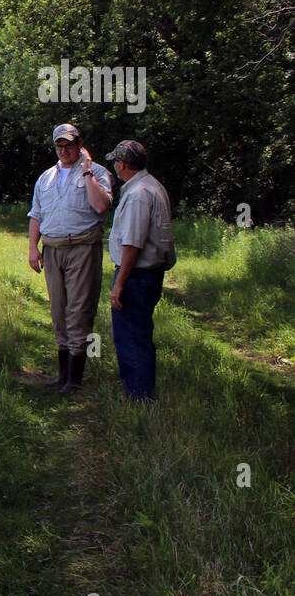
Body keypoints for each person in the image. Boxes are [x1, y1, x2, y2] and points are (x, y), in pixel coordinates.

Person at [27, 123, 114, 394]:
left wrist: (87, 170)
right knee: (59, 311)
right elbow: (36, 215)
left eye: (69, 144)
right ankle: (62, 373)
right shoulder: (46, 178)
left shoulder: (97, 172)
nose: (64, 150)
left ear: (79, 144)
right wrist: (33, 247)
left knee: (79, 311)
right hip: (53, 250)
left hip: (82, 248)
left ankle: (75, 379)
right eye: (59, 146)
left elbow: (101, 205)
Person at [106, 140, 176, 402]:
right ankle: (140, 391)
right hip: (148, 274)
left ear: (122, 164)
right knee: (140, 332)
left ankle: (139, 396)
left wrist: (119, 284)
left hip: (137, 275)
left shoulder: (137, 194)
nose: (114, 166)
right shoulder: (153, 186)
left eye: (116, 161)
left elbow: (133, 243)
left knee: (131, 336)